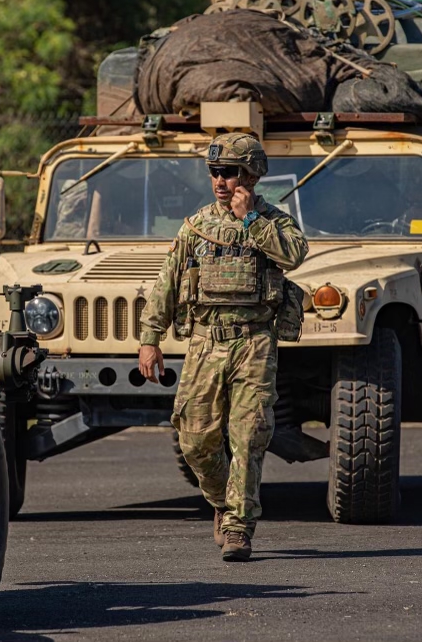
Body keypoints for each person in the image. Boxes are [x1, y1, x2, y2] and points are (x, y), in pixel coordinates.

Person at [137, 132, 308, 562]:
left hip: (254, 343)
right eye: (214, 172)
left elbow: (294, 256)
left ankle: (238, 525)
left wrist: (251, 221)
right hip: (204, 343)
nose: (218, 180)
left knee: (249, 436)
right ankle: (222, 502)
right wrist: (149, 339)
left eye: (228, 173)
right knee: (195, 441)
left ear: (250, 176)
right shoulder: (196, 227)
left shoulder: (274, 222)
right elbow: (167, 284)